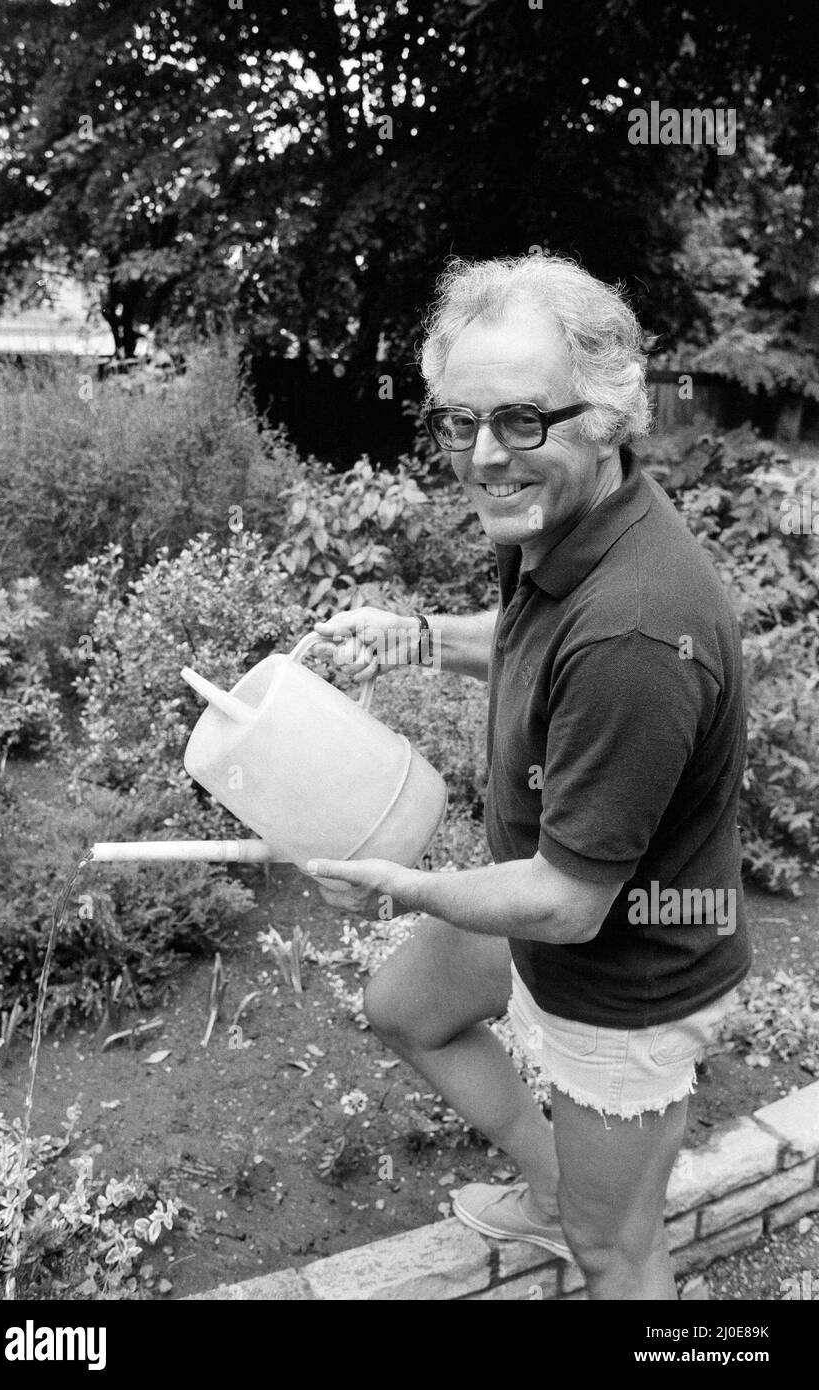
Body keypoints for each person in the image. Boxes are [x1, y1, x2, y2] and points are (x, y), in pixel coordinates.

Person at [308, 253, 751, 1301]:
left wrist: (395, 881)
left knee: (618, 1252)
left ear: (600, 416)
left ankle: (590, 1229)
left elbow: (564, 903)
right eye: (459, 422)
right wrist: (412, 636)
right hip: (544, 890)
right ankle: (555, 1187)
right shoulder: (556, 520)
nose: (483, 456)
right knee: (408, 1007)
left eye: (518, 419)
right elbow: (522, 641)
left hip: (621, 973)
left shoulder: (639, 629)